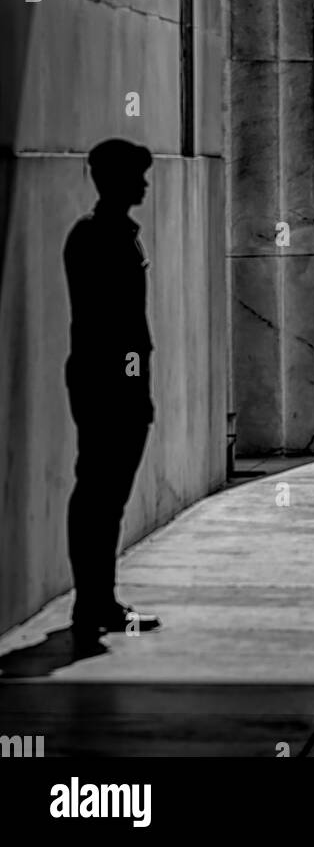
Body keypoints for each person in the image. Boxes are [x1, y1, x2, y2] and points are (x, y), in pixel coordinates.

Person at [63, 140, 162, 649]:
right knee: (100, 496)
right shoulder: (102, 238)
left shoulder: (107, 234)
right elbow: (113, 327)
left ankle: (97, 598)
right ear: (115, 181)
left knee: (104, 497)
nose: (145, 185)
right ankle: (93, 602)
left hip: (107, 380)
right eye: (136, 177)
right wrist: (130, 385)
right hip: (110, 386)